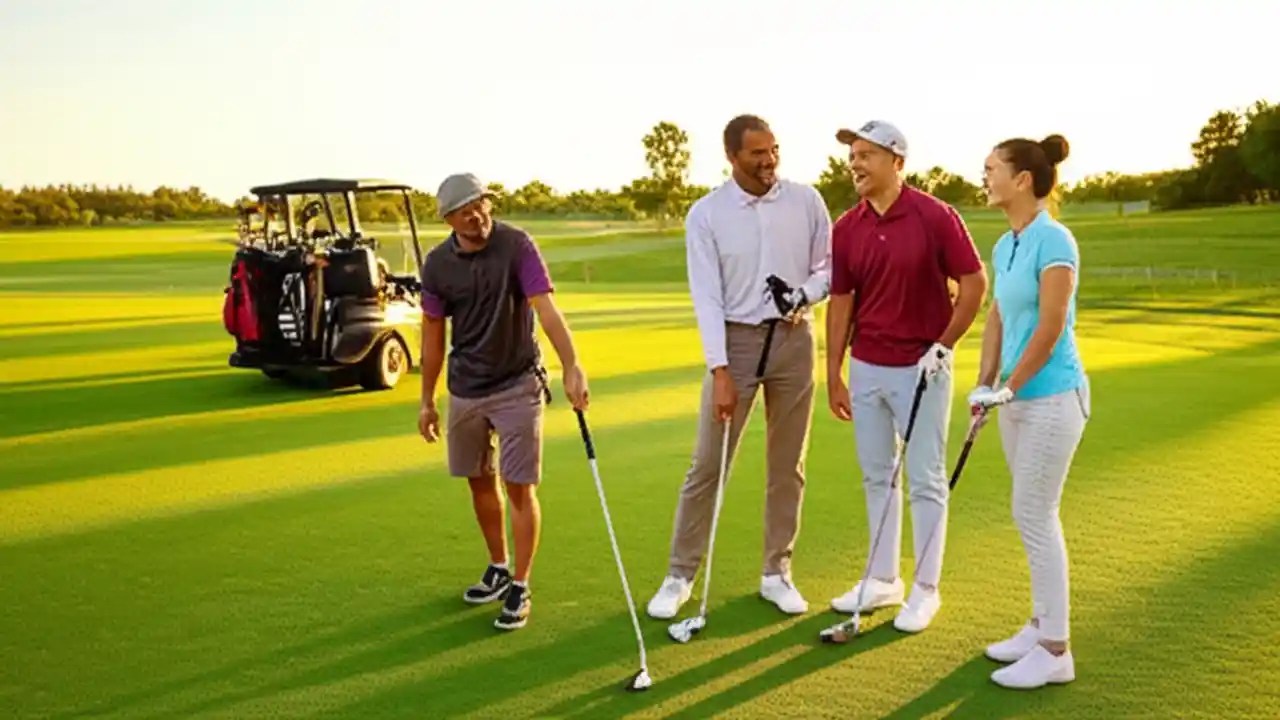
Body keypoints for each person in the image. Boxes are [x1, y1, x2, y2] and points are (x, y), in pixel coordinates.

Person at [646, 114, 831, 619]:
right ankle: (680, 574)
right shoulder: (707, 214)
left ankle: (777, 572)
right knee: (708, 465)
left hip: (794, 338)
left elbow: (828, 267)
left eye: (774, 150)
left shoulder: (806, 201)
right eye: (757, 153)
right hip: (737, 342)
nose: (769, 160)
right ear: (732, 157)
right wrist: (720, 369)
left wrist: (804, 294)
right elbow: (706, 296)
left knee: (788, 464)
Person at [825, 120, 988, 633]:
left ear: (897, 162)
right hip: (868, 364)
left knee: (925, 480)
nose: (855, 163)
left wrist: (945, 345)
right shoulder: (846, 227)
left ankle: (925, 590)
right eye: (852, 155)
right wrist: (833, 371)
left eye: (866, 155)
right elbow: (841, 302)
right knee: (877, 475)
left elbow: (974, 281)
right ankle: (882, 579)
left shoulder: (935, 216)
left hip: (922, 367)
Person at [417, 172, 590, 632]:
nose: (477, 215)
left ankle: (520, 583)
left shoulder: (517, 245)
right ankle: (498, 566)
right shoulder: (436, 266)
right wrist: (426, 400)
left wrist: (571, 364)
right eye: (465, 210)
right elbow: (432, 337)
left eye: (482, 204)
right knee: (478, 481)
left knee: (519, 487)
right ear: (449, 219)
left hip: (518, 384)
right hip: (466, 388)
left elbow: (546, 309)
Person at [968, 134, 1088, 689]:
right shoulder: (1006, 244)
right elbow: (997, 317)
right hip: (1017, 400)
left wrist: (1009, 387)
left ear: (1022, 180)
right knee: (1029, 514)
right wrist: (984, 383)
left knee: (1036, 516)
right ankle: (1039, 625)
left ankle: (1056, 651)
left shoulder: (1054, 239)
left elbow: (1051, 324)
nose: (985, 176)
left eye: (992, 169)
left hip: (1054, 397)